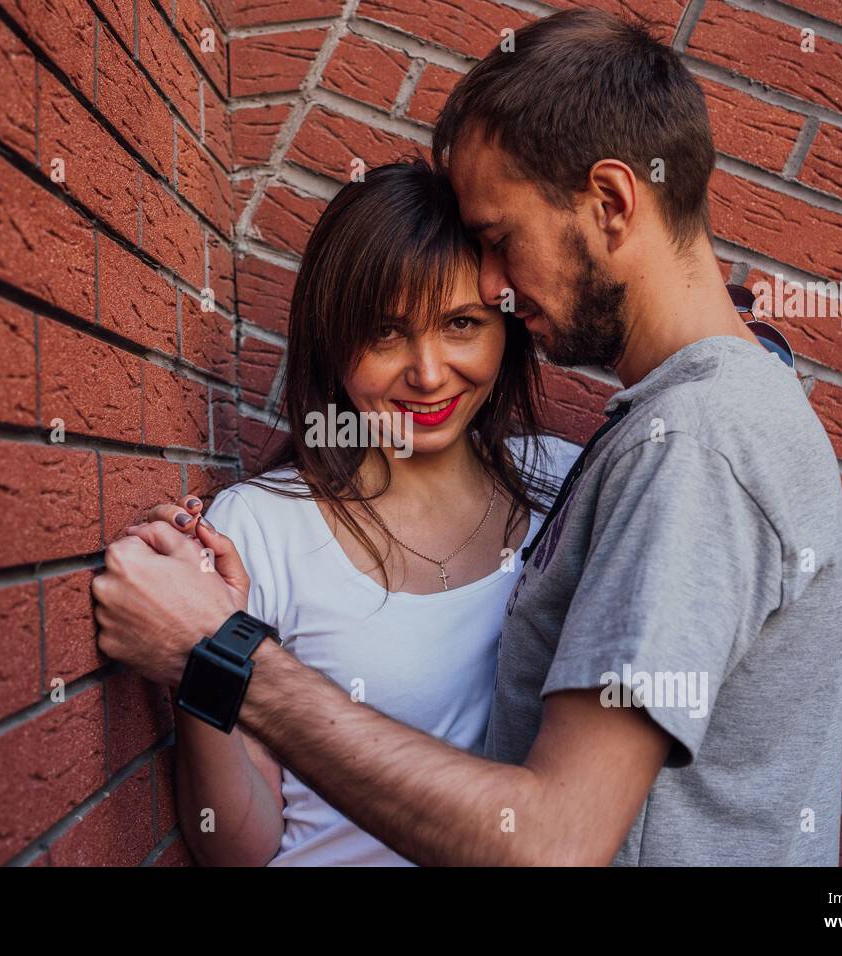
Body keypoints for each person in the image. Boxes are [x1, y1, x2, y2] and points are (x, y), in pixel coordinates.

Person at [92, 8, 842, 866]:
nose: (494, 286)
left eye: (498, 242)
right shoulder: (708, 412)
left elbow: (550, 845)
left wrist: (220, 651)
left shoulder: (694, 444)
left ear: (611, 201)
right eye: (386, 334)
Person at [146, 158, 577, 865]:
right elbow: (237, 852)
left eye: (462, 324)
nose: (430, 372)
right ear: (332, 342)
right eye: (385, 334)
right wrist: (200, 644)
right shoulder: (258, 527)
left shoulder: (565, 485)